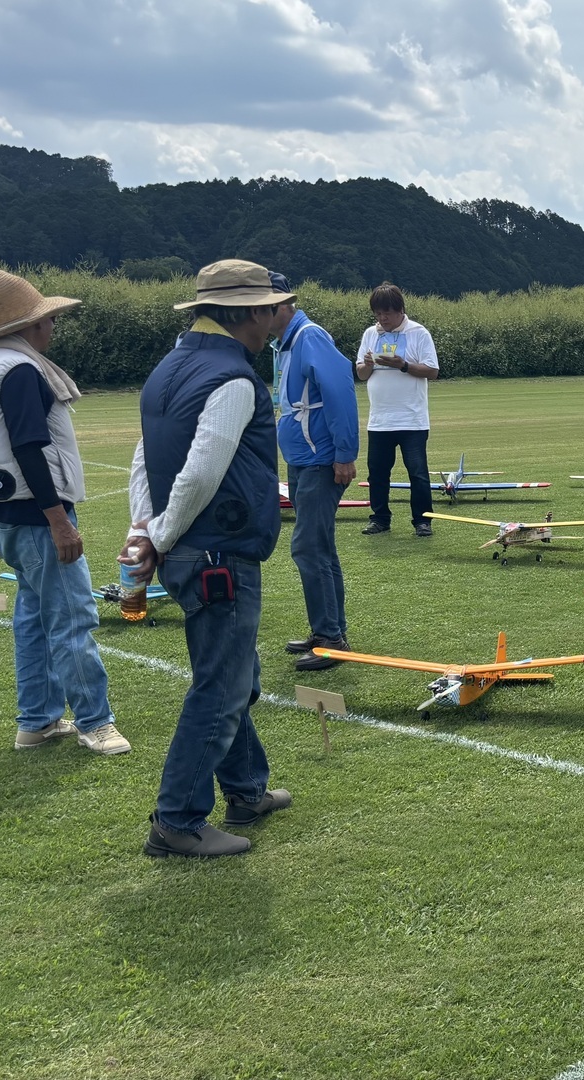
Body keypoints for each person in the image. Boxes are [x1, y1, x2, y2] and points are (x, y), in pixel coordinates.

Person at [126, 259, 293, 858]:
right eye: (270, 308)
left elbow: (145, 458)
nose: (275, 319)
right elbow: (201, 471)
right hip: (217, 554)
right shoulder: (235, 379)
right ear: (248, 312)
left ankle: (246, 790)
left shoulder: (167, 369)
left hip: (188, 551)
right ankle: (177, 821)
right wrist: (161, 535)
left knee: (234, 676)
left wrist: (145, 529)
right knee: (221, 688)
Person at [0, 271, 130, 755]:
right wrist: (58, 519)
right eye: (49, 320)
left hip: (9, 518)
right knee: (72, 618)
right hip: (37, 518)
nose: (53, 327)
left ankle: (38, 720)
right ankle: (95, 722)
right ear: (31, 326)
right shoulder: (21, 371)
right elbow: (29, 446)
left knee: (32, 620)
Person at [270, 273, 360, 669]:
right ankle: (329, 630)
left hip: (320, 460)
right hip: (304, 459)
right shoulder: (287, 343)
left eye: (262, 308)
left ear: (282, 306)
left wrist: (345, 453)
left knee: (308, 547)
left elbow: (340, 392)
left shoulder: (310, 337)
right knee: (320, 546)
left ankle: (331, 639)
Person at [355, 283, 439, 536]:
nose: (382, 319)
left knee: (418, 473)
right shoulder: (370, 334)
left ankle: (423, 521)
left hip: (412, 419)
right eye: (378, 314)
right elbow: (361, 374)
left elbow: (432, 371)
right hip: (379, 420)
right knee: (377, 474)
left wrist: (403, 365)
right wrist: (368, 364)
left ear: (400, 310)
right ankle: (380, 519)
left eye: (387, 313)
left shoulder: (419, 333)